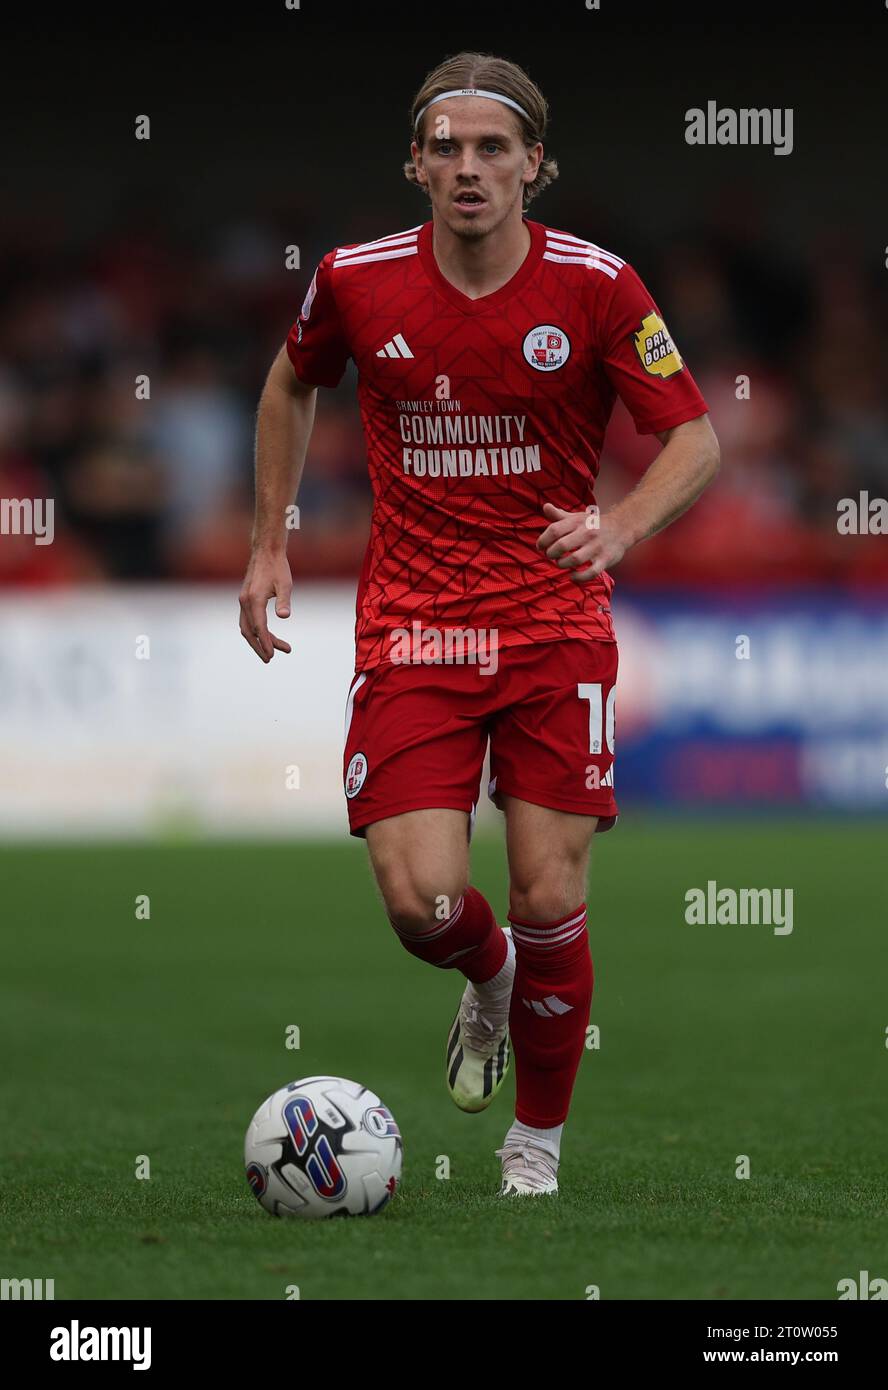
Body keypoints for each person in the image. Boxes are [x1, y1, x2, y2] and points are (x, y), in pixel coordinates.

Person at [239, 51, 720, 1196]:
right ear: (414, 163)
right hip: (415, 625)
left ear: (533, 166)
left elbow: (695, 438)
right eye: (445, 147)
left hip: (555, 622)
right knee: (422, 903)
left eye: (491, 148)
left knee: (551, 891)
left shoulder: (599, 286)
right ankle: (489, 976)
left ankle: (534, 1154)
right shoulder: (356, 279)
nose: (467, 166)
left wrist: (621, 524)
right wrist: (269, 537)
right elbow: (289, 382)